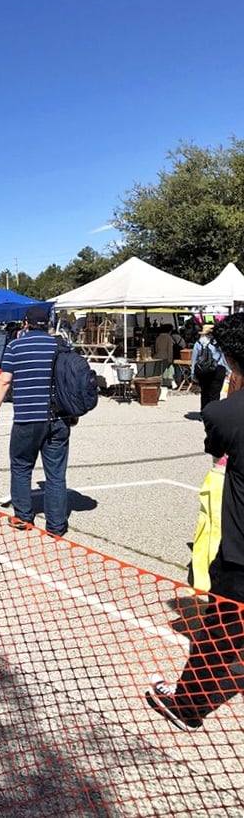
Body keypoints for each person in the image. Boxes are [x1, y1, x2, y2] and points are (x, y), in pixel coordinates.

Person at [146, 312, 244, 731]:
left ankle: (186, 705)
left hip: (240, 551)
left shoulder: (224, 414)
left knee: (220, 633)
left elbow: (217, 444)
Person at [0, 308, 71, 536]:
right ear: (48, 324)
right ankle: (56, 526)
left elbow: (4, 381)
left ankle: (23, 517)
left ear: (26, 324)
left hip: (27, 418)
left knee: (22, 466)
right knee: (55, 473)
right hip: (58, 417)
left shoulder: (15, 346)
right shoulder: (60, 346)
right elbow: (69, 379)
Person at [191, 323, 228, 414]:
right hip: (218, 369)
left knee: (204, 392)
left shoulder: (198, 343)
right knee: (215, 393)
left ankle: (204, 412)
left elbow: (194, 359)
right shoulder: (218, 343)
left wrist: (193, 373)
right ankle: (214, 413)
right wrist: (227, 370)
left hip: (202, 370)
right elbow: (223, 358)